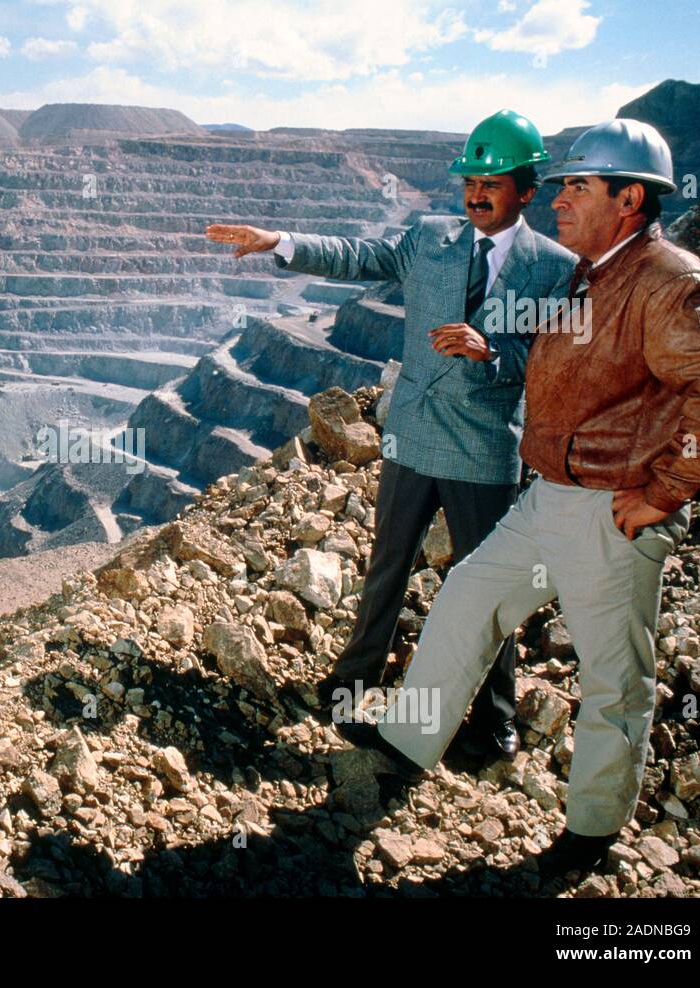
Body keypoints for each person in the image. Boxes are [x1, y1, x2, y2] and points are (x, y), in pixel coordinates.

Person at [348, 118, 700, 879]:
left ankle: (590, 830)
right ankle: (408, 741)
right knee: (466, 597)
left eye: (578, 188)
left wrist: (664, 491)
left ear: (630, 199)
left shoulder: (667, 281)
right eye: (559, 187)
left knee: (613, 679)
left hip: (610, 512)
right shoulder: (591, 272)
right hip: (548, 496)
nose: (559, 201)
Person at [207, 110, 576, 760]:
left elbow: (555, 364)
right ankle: (349, 690)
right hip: (411, 438)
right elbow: (358, 257)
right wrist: (280, 242)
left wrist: (491, 353)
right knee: (386, 572)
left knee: (485, 588)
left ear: (526, 188)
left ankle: (494, 725)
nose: (476, 193)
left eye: (493, 181)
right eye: (470, 180)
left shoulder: (556, 269)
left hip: (483, 452)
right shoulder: (427, 240)